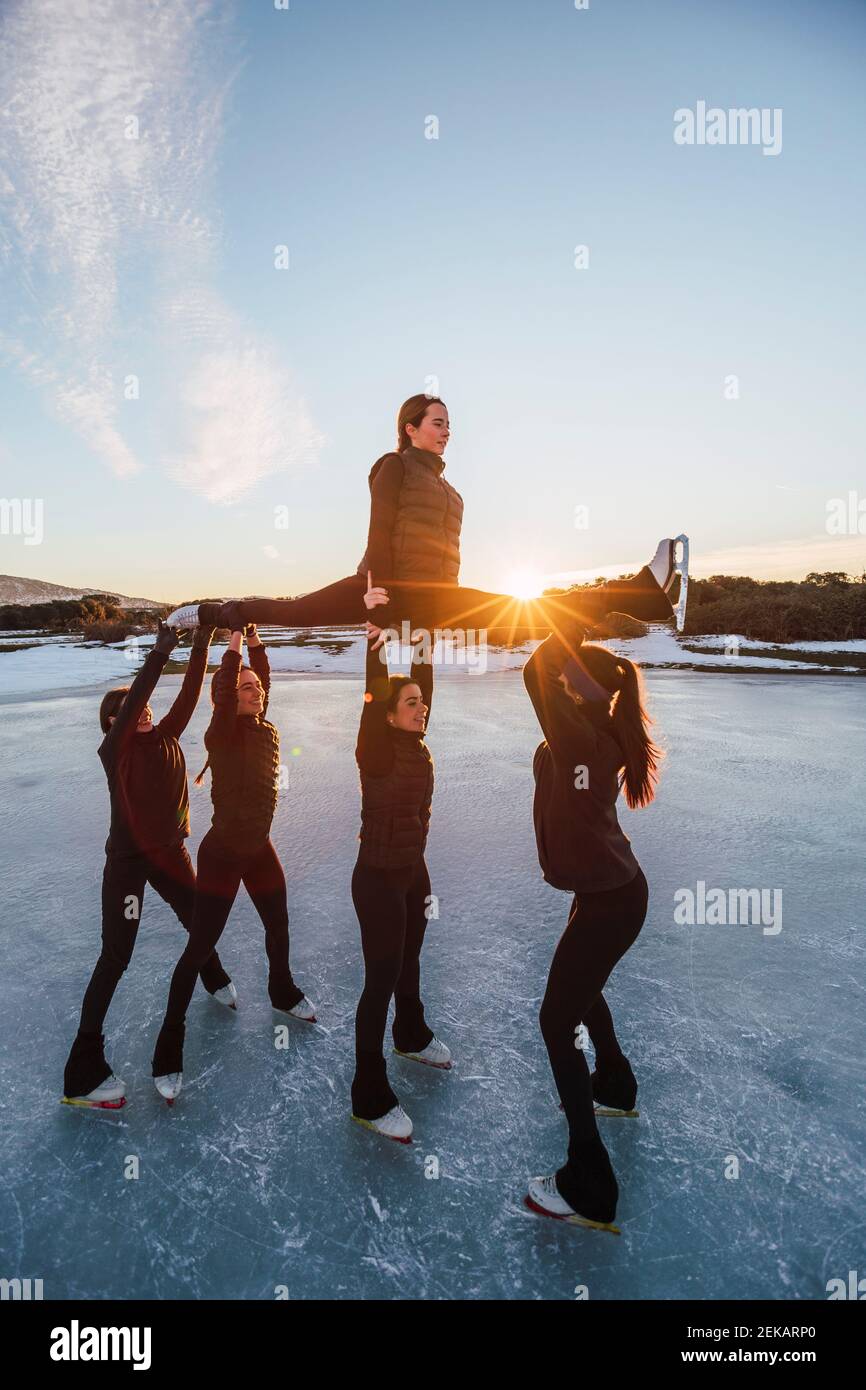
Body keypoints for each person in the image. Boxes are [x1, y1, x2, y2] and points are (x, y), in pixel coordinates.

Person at [164, 395, 686, 646]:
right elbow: (379, 530)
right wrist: (378, 597)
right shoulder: (393, 467)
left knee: (528, 609)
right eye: (437, 423)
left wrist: (443, 610)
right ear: (410, 428)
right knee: (295, 611)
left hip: (433, 594)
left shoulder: (451, 491)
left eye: (450, 425)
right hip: (382, 586)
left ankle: (644, 597)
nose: (446, 431)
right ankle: (209, 612)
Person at [520, 619, 661, 1232]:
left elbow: (533, 670)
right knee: (582, 989)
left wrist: (563, 616)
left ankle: (589, 1182)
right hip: (608, 891)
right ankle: (616, 1082)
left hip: (612, 900)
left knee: (555, 1021)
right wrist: (568, 635)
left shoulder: (580, 736)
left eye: (567, 676)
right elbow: (544, 675)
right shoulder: (589, 729)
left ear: (578, 689)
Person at [62, 622, 235, 1110]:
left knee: (199, 921)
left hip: (170, 855)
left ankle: (215, 976)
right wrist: (162, 649)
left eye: (139, 708)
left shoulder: (167, 735)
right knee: (117, 956)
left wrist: (201, 644)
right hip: (129, 866)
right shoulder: (114, 752)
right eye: (124, 711)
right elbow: (141, 691)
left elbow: (190, 691)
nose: (139, 712)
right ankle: (82, 1069)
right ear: (111, 725)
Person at [150, 622, 315, 1103]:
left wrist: (256, 641)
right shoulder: (221, 730)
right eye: (247, 688)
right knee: (200, 947)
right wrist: (234, 645)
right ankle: (168, 1043)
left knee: (278, 925)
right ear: (229, 697)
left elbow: (259, 678)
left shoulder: (264, 725)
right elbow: (226, 689)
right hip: (222, 853)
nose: (256, 690)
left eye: (258, 687)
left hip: (258, 846)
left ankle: (281, 991)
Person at [348, 579, 450, 1143]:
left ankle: (410, 1033)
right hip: (378, 877)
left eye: (422, 703)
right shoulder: (376, 745)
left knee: (410, 961)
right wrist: (374, 643)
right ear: (388, 715)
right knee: (380, 980)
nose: (421, 707)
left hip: (413, 869)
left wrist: (426, 639)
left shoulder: (416, 743)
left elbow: (422, 683)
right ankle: (367, 1093)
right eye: (410, 703)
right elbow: (374, 693)